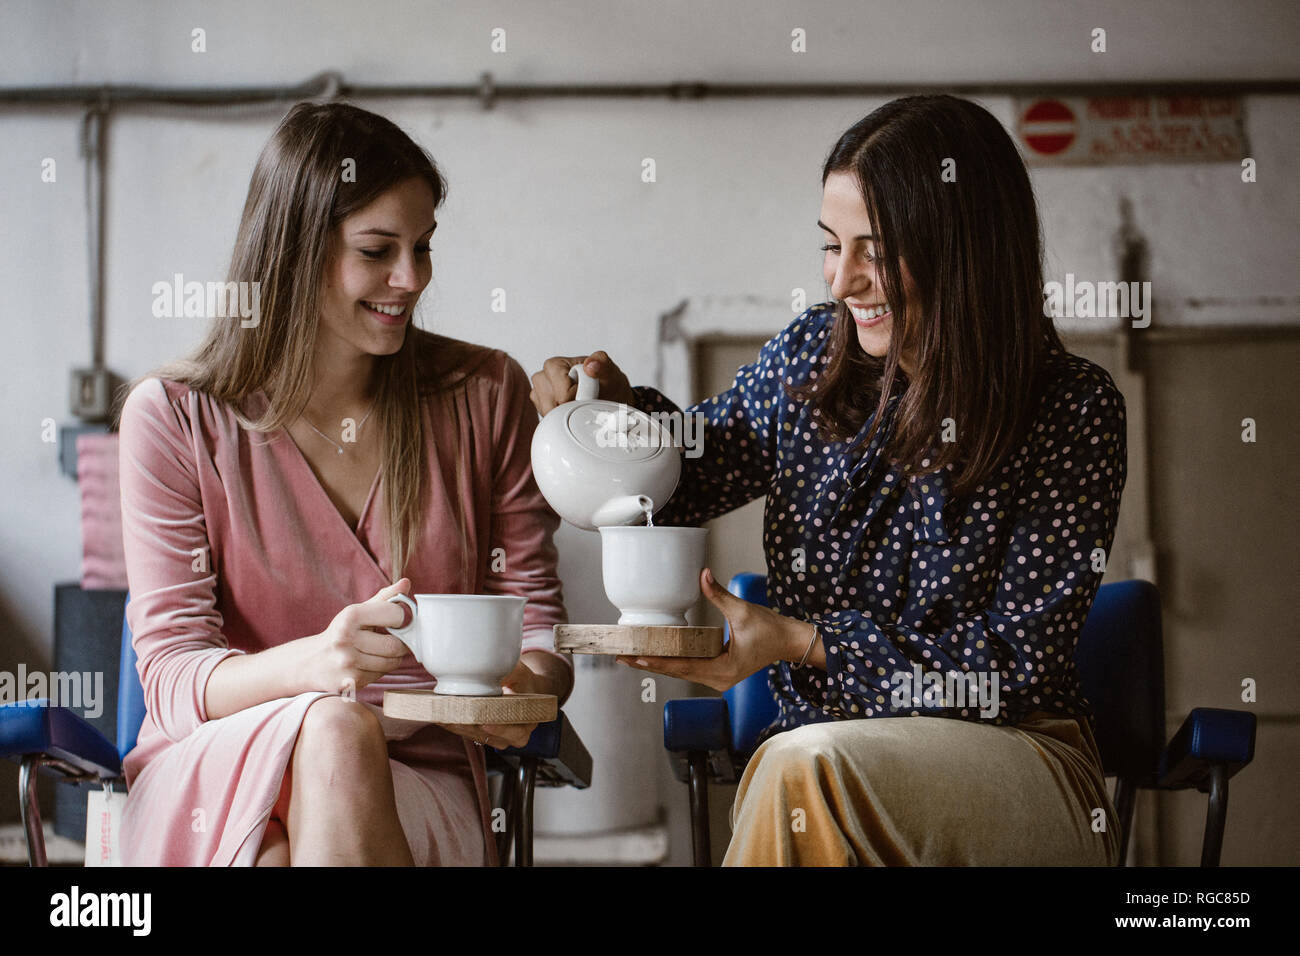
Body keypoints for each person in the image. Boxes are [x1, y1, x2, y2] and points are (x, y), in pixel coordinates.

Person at [530, 94, 1126, 866]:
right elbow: (690, 474)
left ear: (964, 250)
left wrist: (803, 643)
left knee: (804, 769)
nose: (843, 281)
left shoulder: (1073, 409)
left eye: (873, 251)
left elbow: (1011, 668)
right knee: (805, 767)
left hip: (1022, 759)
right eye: (829, 246)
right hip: (818, 755)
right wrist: (618, 421)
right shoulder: (815, 353)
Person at [116, 101, 571, 866]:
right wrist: (316, 667)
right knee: (332, 726)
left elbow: (538, 624)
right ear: (294, 252)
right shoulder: (174, 418)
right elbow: (170, 676)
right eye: (377, 250)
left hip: (415, 773)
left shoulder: (485, 393)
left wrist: (528, 689)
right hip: (213, 765)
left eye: (423, 248)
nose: (410, 278)